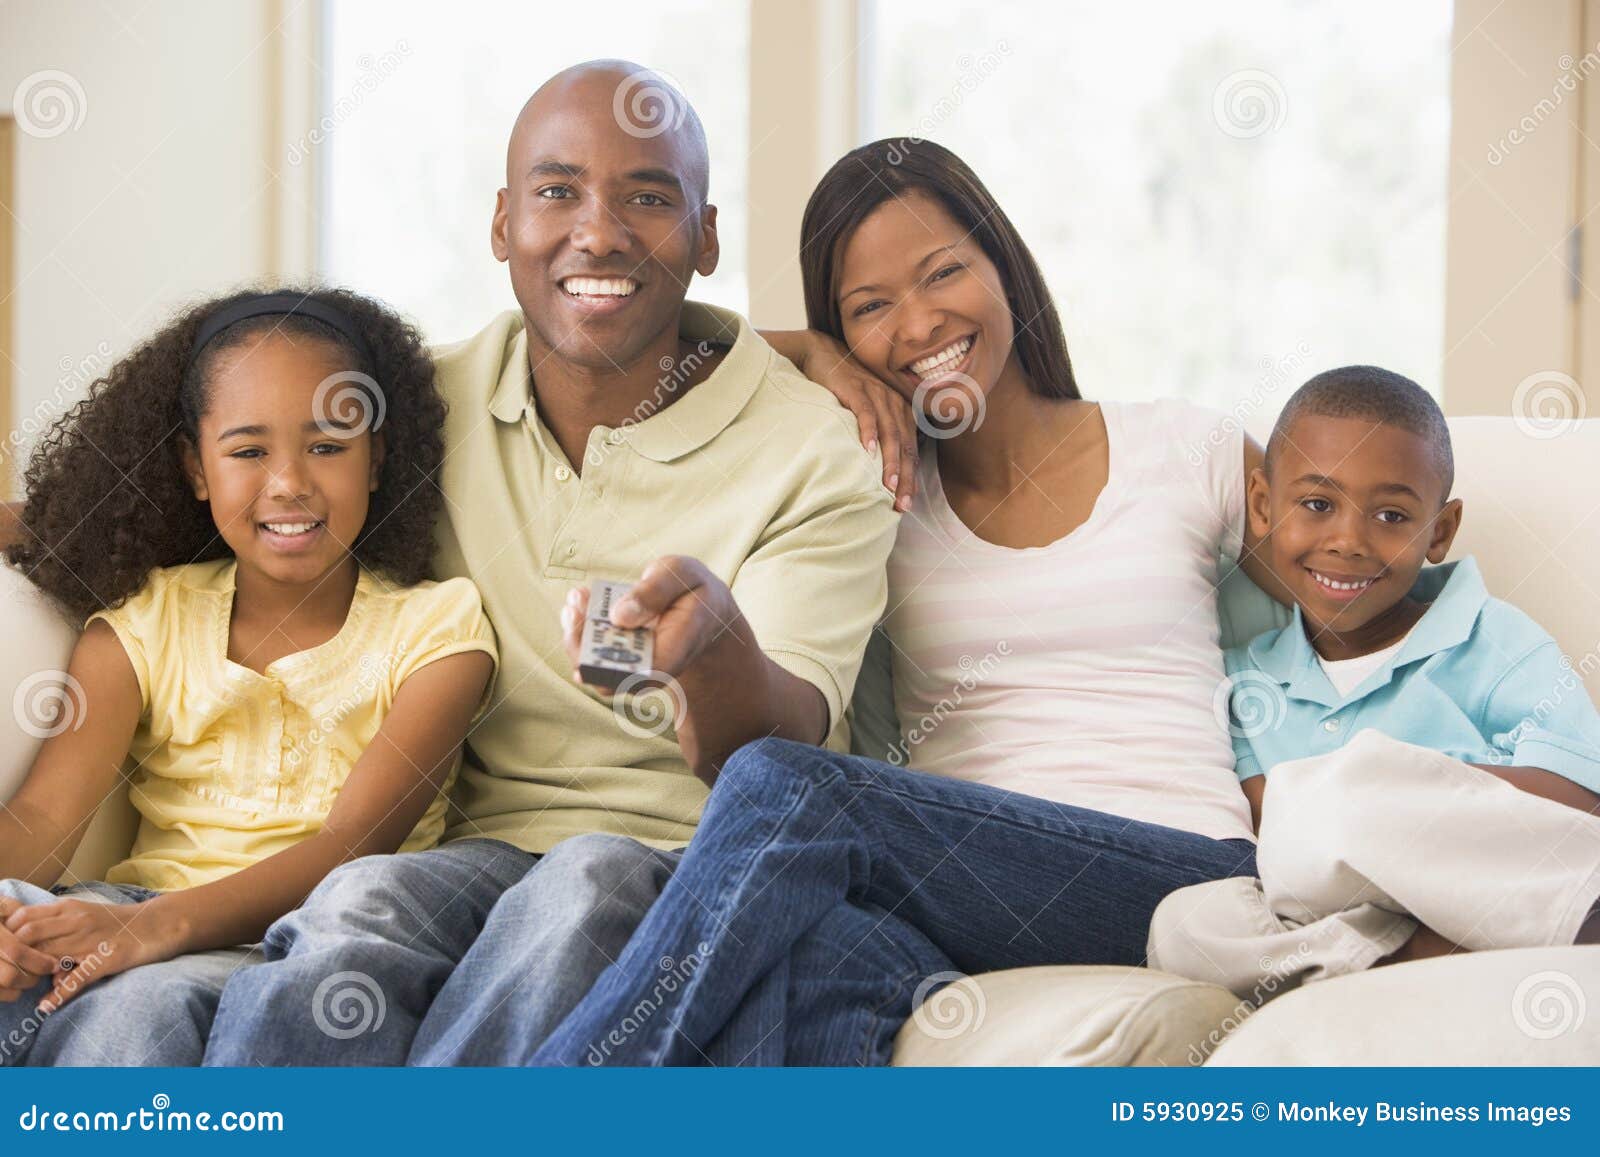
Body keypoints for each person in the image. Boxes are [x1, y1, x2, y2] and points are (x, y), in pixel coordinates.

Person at [197, 62, 901, 1066]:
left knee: (581, 889)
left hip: (683, 859)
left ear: (705, 239)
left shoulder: (814, 453)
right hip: (475, 850)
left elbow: (785, 748)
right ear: (502, 224)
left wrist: (712, 649)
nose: (600, 230)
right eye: (558, 190)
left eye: (648, 197)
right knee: (357, 897)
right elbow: (224, 453)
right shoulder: (417, 408)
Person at [529, 138, 1281, 1066]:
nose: (919, 325)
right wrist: (813, 356)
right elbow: (647, 349)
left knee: (780, 783)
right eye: (870, 308)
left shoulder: (1188, 449)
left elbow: (1359, 599)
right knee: (807, 967)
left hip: (1172, 877)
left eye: (943, 274)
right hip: (961, 895)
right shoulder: (873, 490)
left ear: (1003, 265)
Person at [0, 288, 497, 1066]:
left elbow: (353, 842)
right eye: (247, 451)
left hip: (311, 945)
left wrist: (151, 928)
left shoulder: (438, 630)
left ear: (378, 460)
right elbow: (41, 818)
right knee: (89, 986)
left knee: (147, 1011)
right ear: (197, 469)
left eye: (329, 446)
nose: (289, 483)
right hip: (129, 922)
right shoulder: (145, 622)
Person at [1146, 366, 1600, 1002]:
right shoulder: (1244, 676)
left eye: (1391, 515)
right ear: (1261, 505)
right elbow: (1271, 831)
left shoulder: (1490, 637)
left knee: (1334, 796)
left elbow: (1575, 795)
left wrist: (1401, 796)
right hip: (1343, 917)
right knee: (1185, 923)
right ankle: (1423, 957)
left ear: (1438, 532)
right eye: (1317, 504)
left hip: (1494, 881)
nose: (1349, 540)